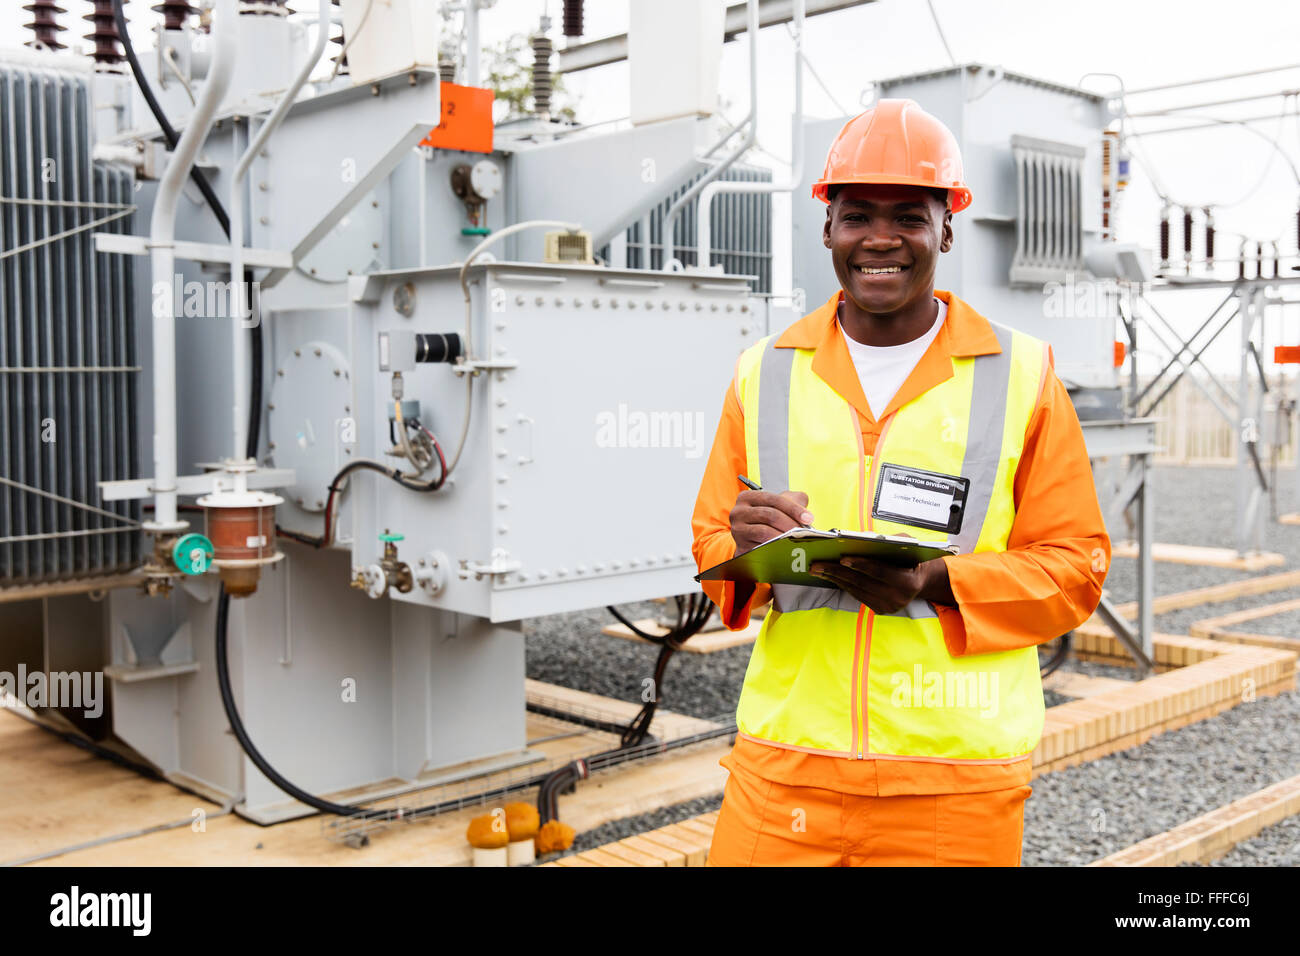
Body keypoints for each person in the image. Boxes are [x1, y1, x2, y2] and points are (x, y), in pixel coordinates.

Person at [690, 99, 1110, 866]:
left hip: (953, 781)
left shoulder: (1021, 375)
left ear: (946, 228)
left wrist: (932, 582)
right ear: (828, 230)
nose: (880, 238)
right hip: (786, 769)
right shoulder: (765, 371)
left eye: (908, 216)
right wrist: (742, 544)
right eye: (857, 215)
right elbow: (711, 544)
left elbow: (1075, 568)